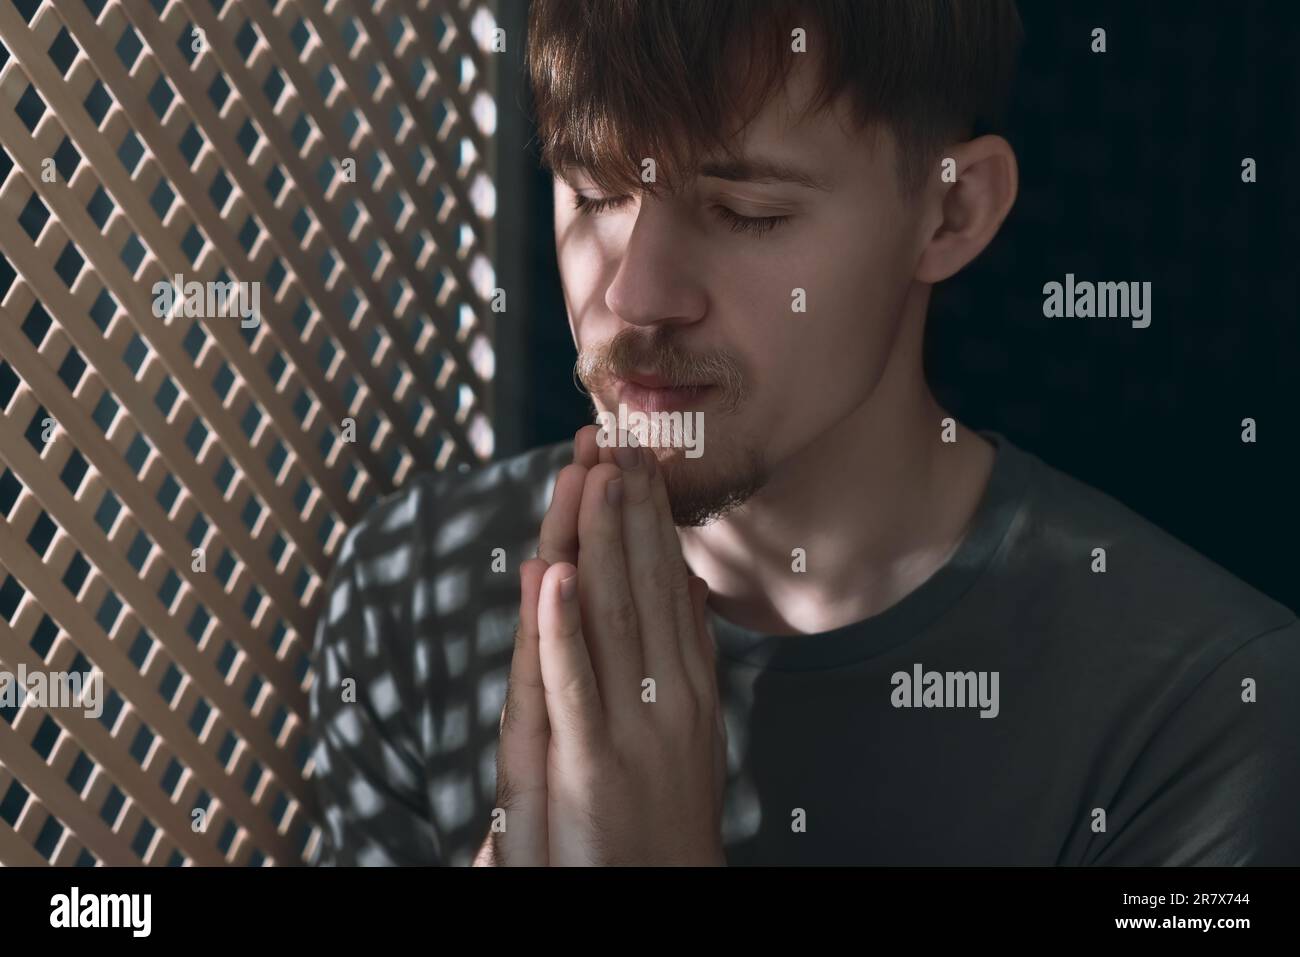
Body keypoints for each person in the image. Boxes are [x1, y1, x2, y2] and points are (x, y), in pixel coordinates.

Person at [308, 0, 1300, 866]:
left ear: (949, 211)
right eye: (596, 191)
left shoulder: (1201, 712)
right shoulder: (411, 587)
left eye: (744, 211)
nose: (632, 294)